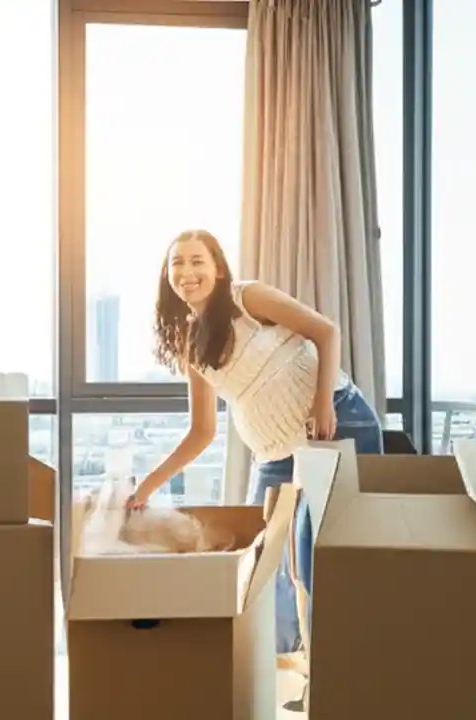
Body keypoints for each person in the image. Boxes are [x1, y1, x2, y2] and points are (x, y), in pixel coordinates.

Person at [128, 229, 382, 660]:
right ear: (167, 276)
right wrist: (147, 487)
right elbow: (201, 431)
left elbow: (325, 332)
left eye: (197, 261)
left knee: (319, 560)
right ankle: (279, 669)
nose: (187, 271)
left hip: (338, 426)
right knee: (260, 569)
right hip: (274, 454)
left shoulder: (247, 299)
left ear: (218, 269)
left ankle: (338, 667)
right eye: (177, 263)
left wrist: (322, 403)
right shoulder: (192, 344)